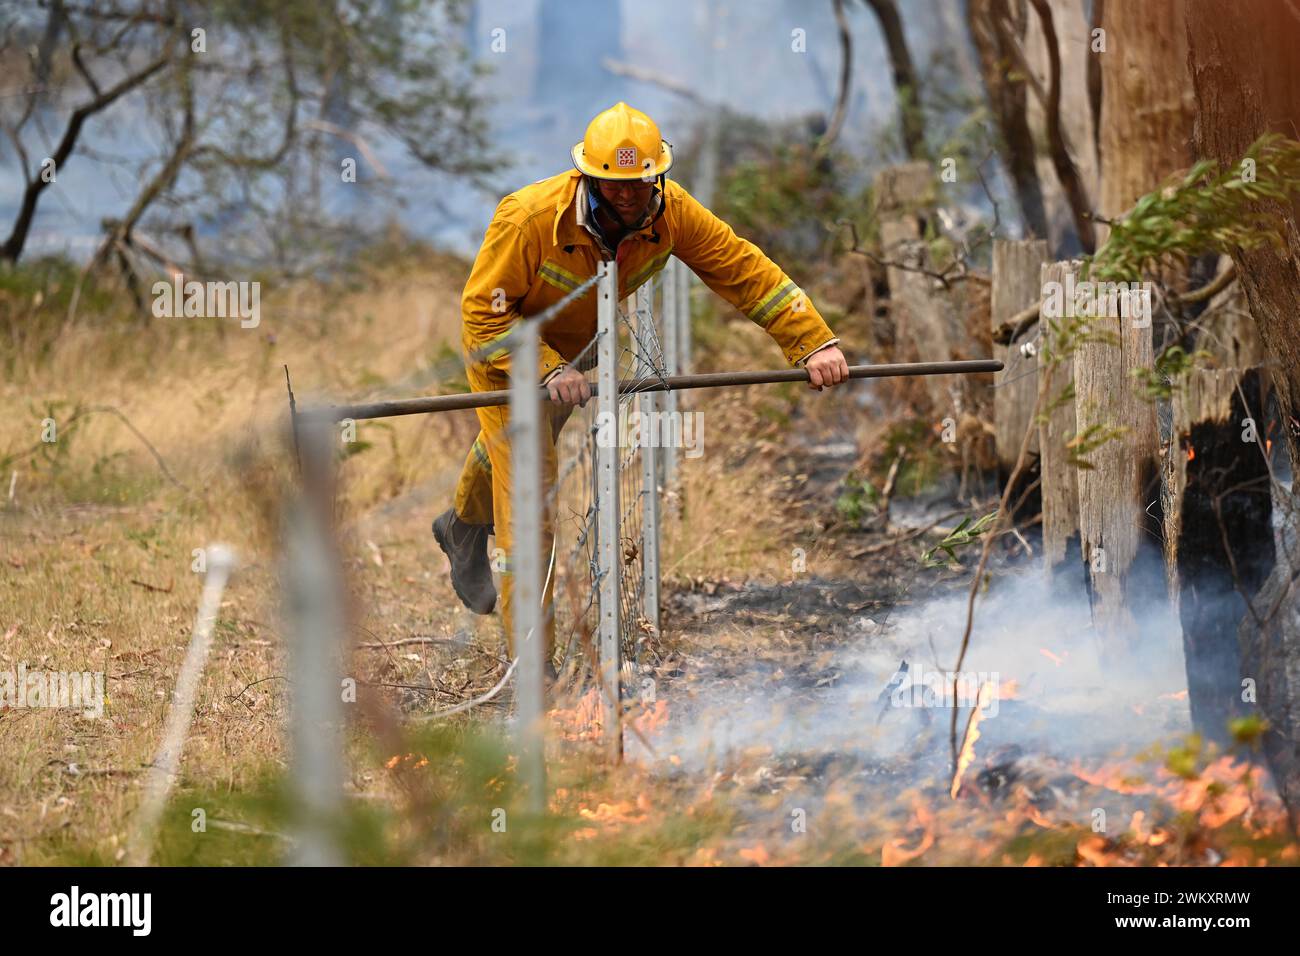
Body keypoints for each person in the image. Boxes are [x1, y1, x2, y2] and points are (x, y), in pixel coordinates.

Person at [432, 102, 849, 671]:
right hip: (509, 354)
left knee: (504, 446)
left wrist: (812, 341)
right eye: (613, 185)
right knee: (530, 501)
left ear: (657, 176)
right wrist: (548, 369)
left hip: (577, 358)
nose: (628, 197)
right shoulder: (527, 219)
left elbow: (743, 269)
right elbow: (484, 314)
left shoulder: (671, 214)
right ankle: (535, 673)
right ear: (587, 177)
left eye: (639, 184)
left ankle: (459, 525)